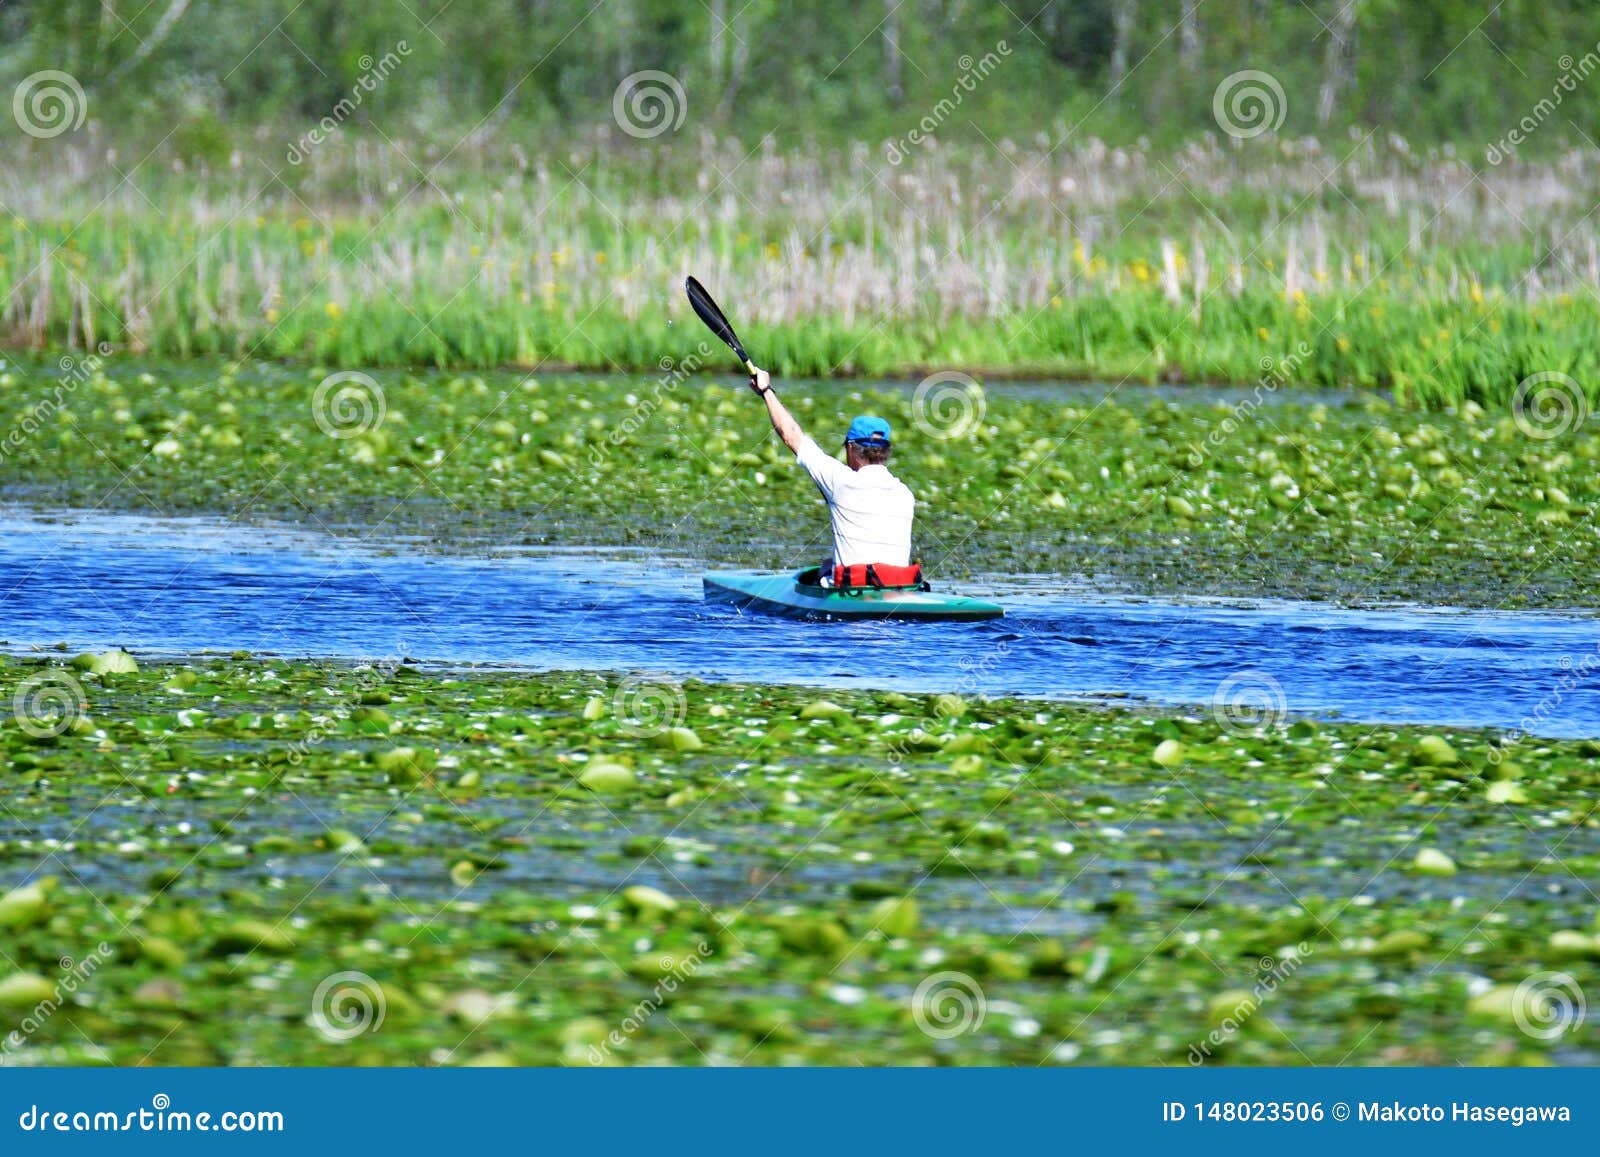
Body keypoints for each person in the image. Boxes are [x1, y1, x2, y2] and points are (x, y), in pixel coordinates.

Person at [747, 365, 914, 578]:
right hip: (899, 588)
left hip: (852, 591)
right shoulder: (904, 494)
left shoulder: (841, 482)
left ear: (851, 448)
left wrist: (766, 391)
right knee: (828, 565)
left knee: (826, 569)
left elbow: (790, 435)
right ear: (886, 451)